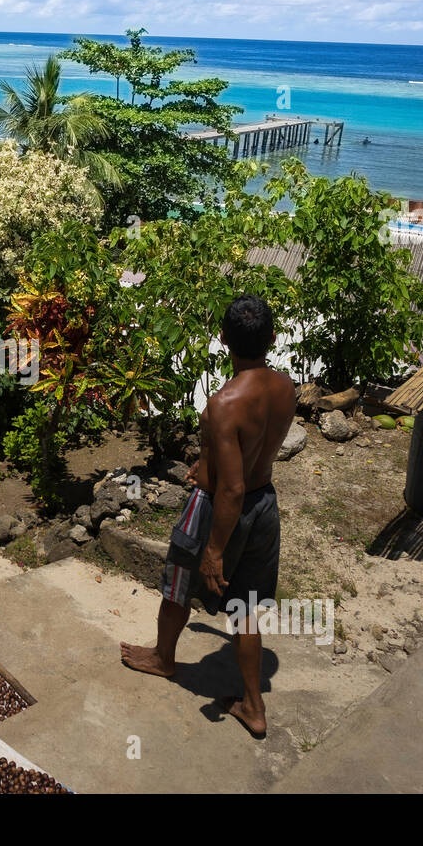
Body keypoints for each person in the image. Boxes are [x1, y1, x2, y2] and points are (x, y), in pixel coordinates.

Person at [120, 294, 296, 739]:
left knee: (179, 579)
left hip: (222, 507)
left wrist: (215, 550)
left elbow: (232, 488)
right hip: (266, 506)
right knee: (247, 609)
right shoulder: (285, 387)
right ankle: (254, 706)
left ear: (222, 340)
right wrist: (211, 462)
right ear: (273, 338)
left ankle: (164, 657)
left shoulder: (223, 405)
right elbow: (251, 458)